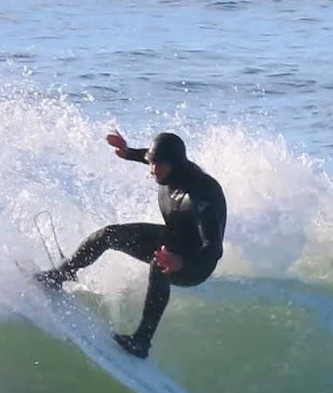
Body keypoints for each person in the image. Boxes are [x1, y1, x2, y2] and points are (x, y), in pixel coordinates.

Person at [36, 131, 227, 359]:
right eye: (151, 163)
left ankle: (141, 341)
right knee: (109, 234)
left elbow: (213, 250)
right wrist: (126, 152)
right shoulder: (162, 165)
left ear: (174, 164)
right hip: (174, 237)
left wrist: (180, 262)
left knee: (159, 264)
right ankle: (62, 274)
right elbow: (147, 156)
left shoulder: (198, 196)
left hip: (197, 262)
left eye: (158, 165)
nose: (152, 170)